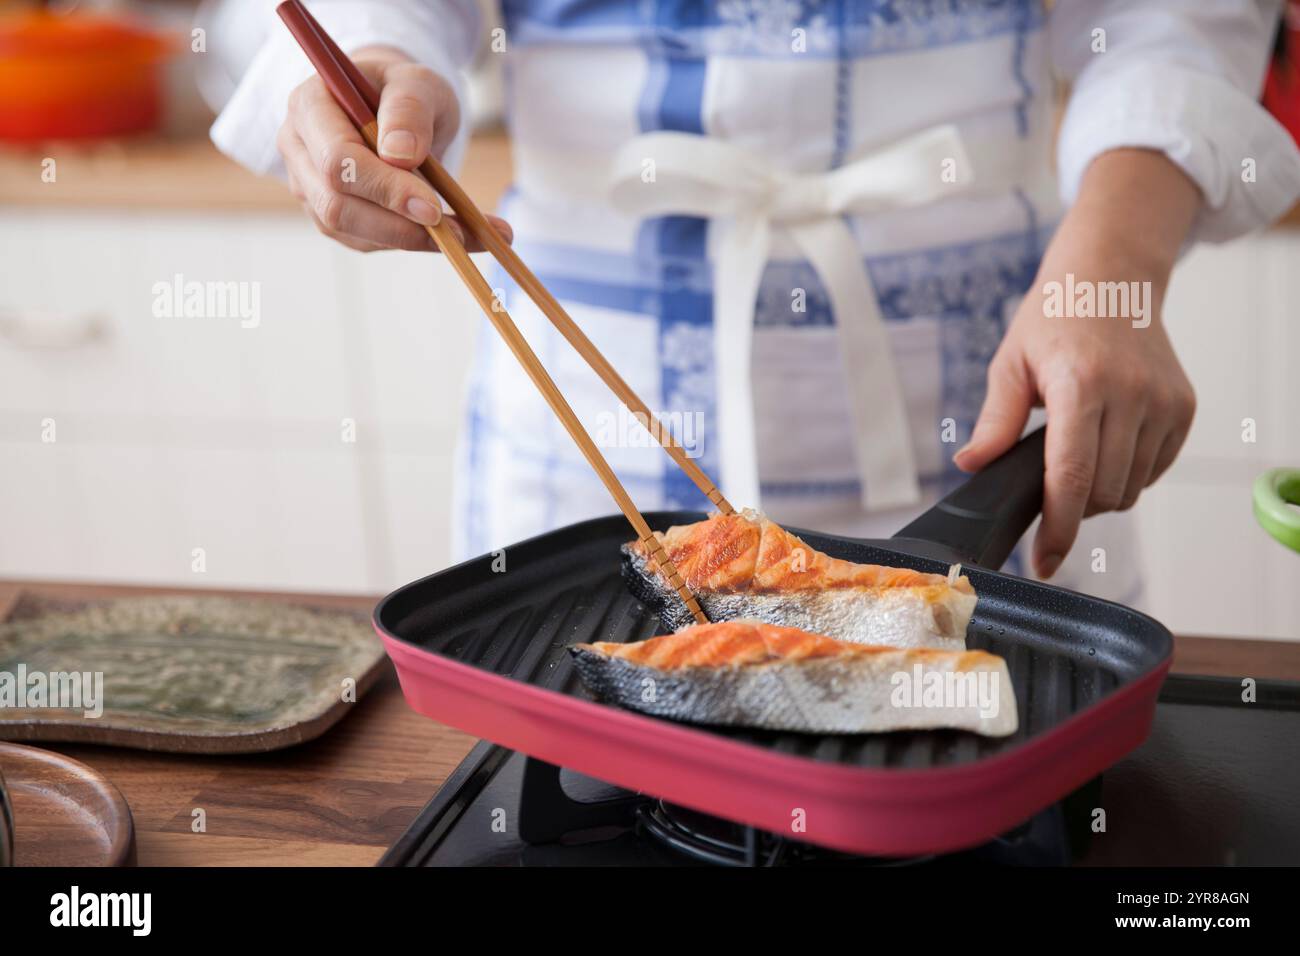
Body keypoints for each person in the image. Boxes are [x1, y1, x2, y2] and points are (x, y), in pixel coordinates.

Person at [212, 0, 1300, 602]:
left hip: (988, 433)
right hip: (585, 464)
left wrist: (1108, 265)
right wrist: (375, 64)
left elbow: (1167, 20)